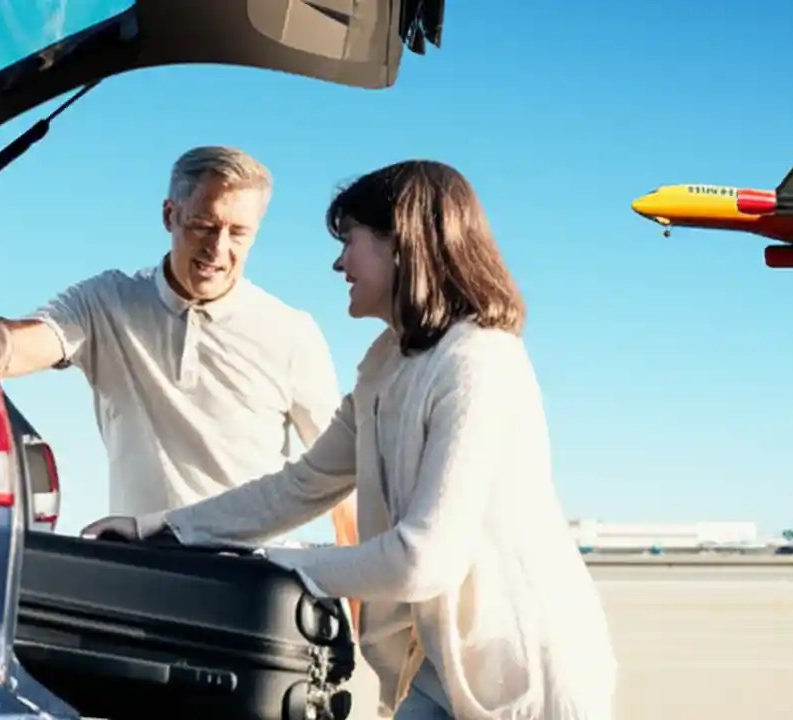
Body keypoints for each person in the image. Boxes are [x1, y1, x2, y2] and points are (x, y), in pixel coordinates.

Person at [82, 160, 618, 719]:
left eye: (351, 241)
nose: (339, 263)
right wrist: (161, 529)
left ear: (402, 244)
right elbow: (299, 486)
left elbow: (424, 559)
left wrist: (273, 563)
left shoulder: (478, 360)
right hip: (441, 670)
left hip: (530, 678)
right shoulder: (384, 366)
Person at [0, 145, 358, 541]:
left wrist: (359, 599)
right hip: (140, 565)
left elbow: (340, 478)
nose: (218, 248)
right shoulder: (106, 301)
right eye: (204, 225)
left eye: (238, 232)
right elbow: (33, 338)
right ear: (170, 215)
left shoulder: (292, 333)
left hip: (248, 574)